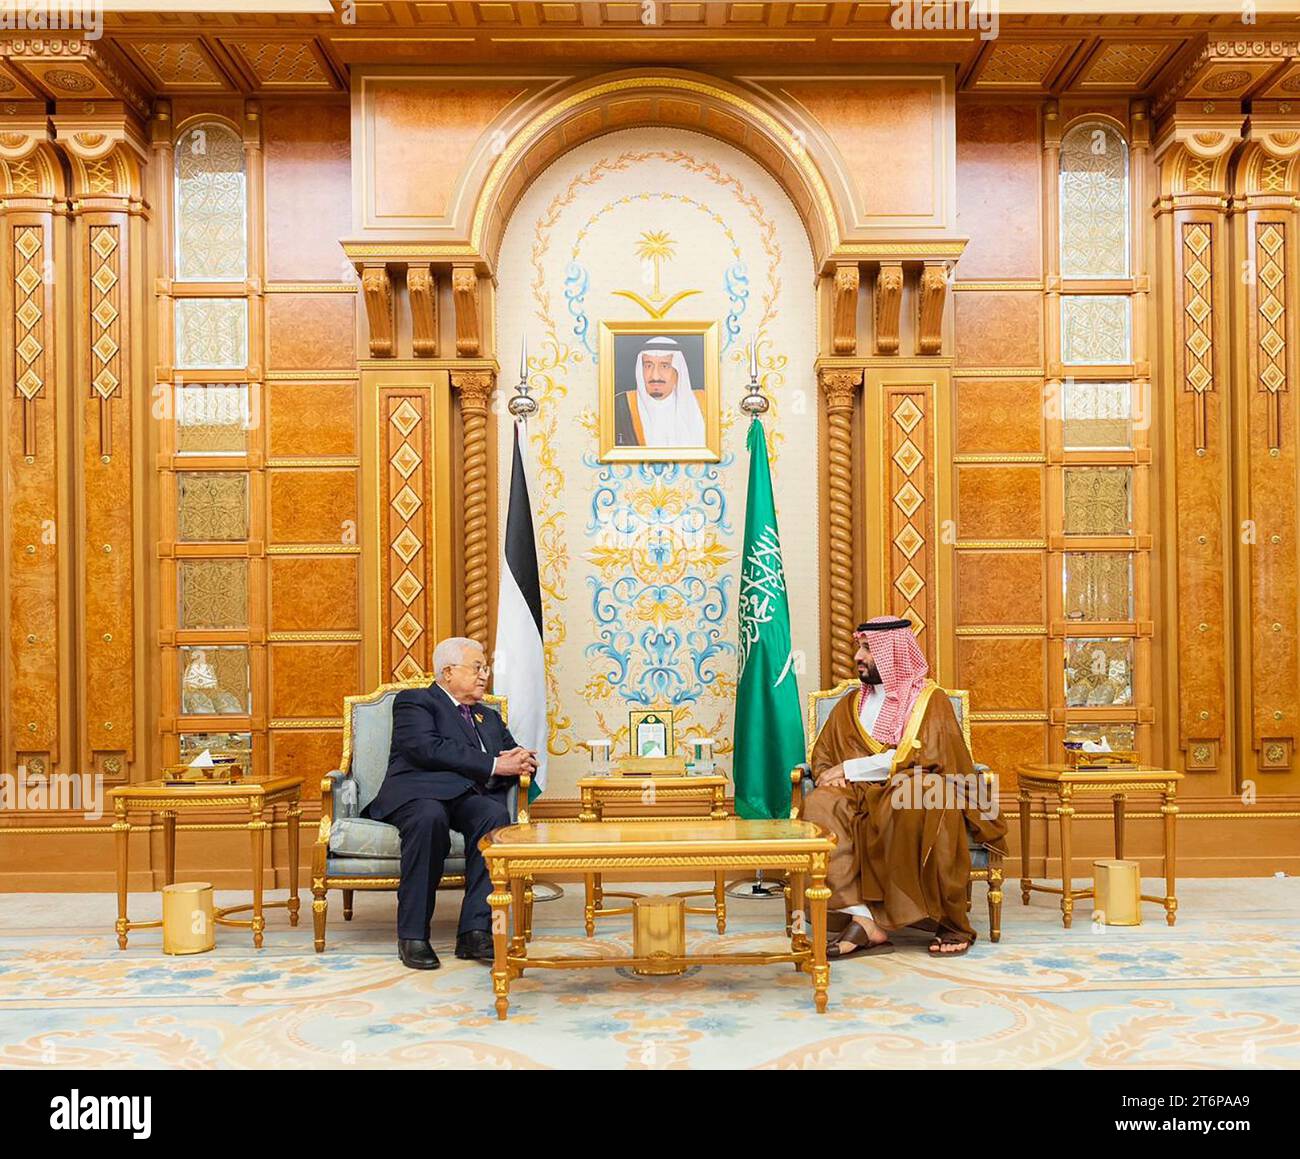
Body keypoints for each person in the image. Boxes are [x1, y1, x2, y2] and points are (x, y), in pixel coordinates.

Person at [803, 617, 1007, 959]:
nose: (858, 656)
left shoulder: (930, 700)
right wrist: (832, 774)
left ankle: (945, 919)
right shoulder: (850, 703)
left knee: (920, 797)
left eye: (867, 648)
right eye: (859, 647)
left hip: (913, 785)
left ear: (893, 653)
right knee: (820, 804)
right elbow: (824, 755)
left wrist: (849, 768)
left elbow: (925, 756)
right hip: (859, 793)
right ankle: (865, 919)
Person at [364, 637, 538, 970]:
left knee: (493, 814)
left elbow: (509, 752)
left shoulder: (487, 716)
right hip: (418, 794)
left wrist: (522, 760)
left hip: (465, 795)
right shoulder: (415, 701)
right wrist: (493, 764)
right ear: (448, 672)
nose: (484, 675)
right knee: (429, 818)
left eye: (485, 668)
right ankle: (413, 936)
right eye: (477, 667)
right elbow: (427, 749)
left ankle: (475, 932)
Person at [613, 335, 706, 448]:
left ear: (678, 370)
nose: (655, 375)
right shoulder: (620, 406)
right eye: (648, 366)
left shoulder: (704, 403)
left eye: (665, 366)